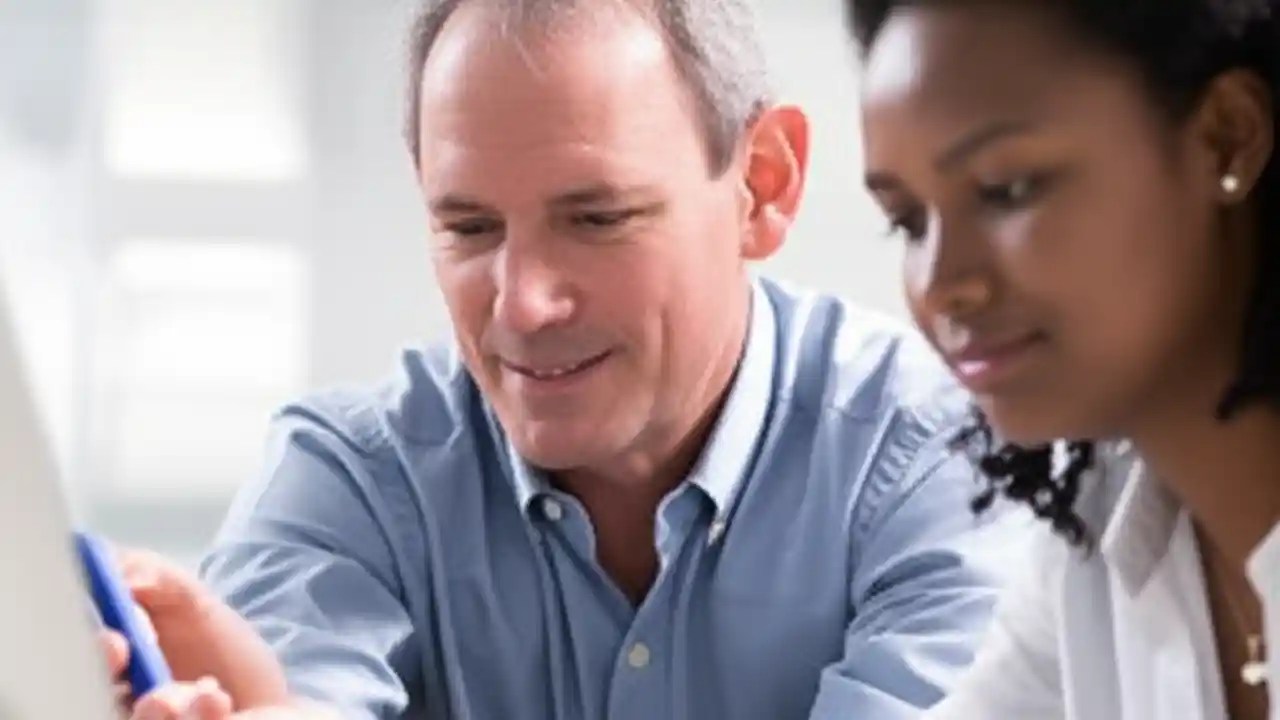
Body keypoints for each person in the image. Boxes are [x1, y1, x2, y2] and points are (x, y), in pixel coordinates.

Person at [102, 1, 1022, 719]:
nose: (524, 304)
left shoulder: (941, 458)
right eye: (468, 227)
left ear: (761, 185)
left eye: (598, 219)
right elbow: (286, 698)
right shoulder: (352, 477)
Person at [847, 0, 1280, 718]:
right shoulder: (1099, 538)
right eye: (909, 221)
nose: (943, 284)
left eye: (1007, 190)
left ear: (1225, 140)